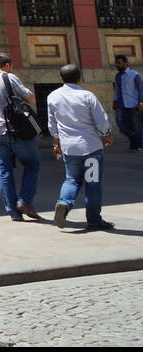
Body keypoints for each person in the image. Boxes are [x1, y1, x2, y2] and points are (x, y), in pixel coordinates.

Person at [0, 52, 42, 222]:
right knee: (32, 164)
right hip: (16, 131)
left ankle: (13, 212)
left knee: (4, 170)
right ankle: (24, 201)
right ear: (7, 65)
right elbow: (31, 99)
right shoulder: (9, 78)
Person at [48, 63, 114, 230]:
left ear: (61, 78)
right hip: (90, 147)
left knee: (72, 179)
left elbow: (52, 124)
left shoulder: (52, 96)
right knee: (93, 183)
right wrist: (106, 134)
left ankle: (63, 202)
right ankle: (94, 220)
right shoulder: (87, 95)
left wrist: (56, 143)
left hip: (69, 148)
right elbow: (101, 119)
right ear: (80, 78)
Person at [111, 54, 143, 152]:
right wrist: (115, 101)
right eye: (116, 63)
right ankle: (134, 141)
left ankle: (139, 145)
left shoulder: (135, 75)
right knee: (121, 124)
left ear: (126, 63)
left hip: (134, 105)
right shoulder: (117, 76)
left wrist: (141, 103)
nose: (117, 65)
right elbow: (117, 90)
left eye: (119, 63)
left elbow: (141, 90)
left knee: (136, 126)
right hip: (121, 105)